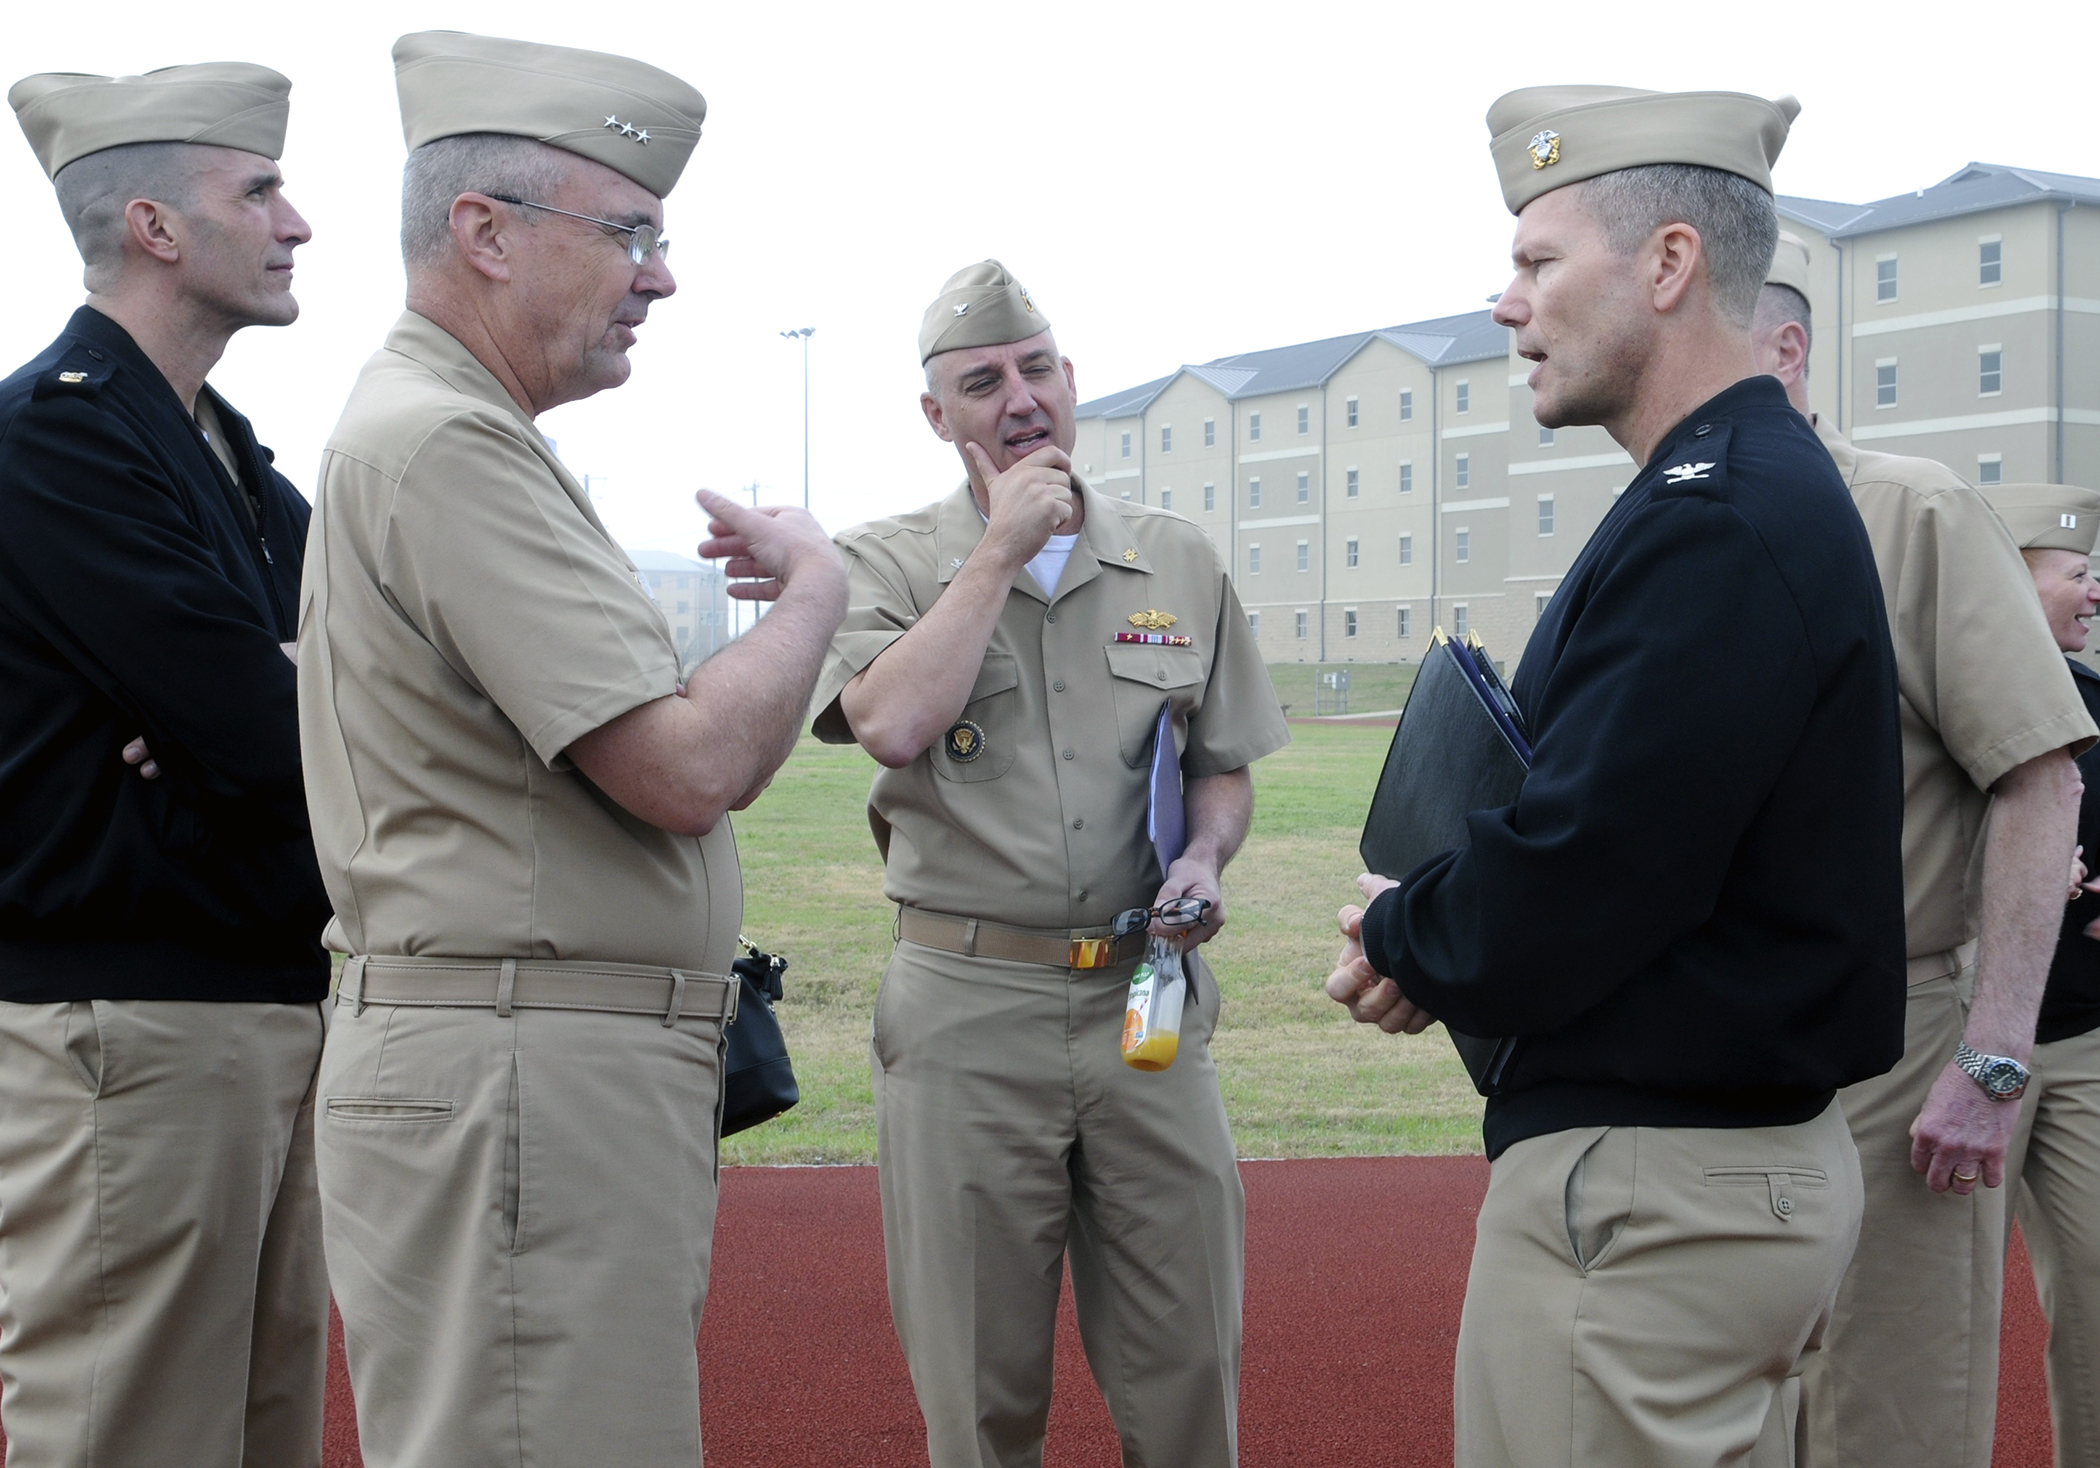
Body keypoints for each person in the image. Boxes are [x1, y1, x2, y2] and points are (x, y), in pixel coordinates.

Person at [1324, 86, 1909, 1466]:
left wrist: (1407, 929)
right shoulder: (1736, 488)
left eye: (1538, 262)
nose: (1506, 303)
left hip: (1655, 1198)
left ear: (1665, 266)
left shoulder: (1718, 517)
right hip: (1710, 1184)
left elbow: (1587, 868)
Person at [298, 32, 846, 1467]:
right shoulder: (448, 442)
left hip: (528, 1065)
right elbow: (683, 767)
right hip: (521, 1072)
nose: (658, 275)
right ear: (484, 233)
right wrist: (817, 597)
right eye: (630, 234)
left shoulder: (456, 429)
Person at [810, 260, 1288, 1468]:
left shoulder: (1175, 560)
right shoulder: (885, 565)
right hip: (971, 1006)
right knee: (981, 1397)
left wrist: (1205, 854)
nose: (1019, 400)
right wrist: (998, 548)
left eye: (1037, 371)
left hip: (1148, 1004)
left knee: (1189, 1379)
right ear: (938, 417)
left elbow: (1222, 760)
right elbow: (891, 723)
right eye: (982, 382)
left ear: (1072, 383)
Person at [0, 63, 330, 1467]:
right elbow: (269, 737)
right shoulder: (60, 433)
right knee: (124, 1435)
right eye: (258, 189)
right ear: (154, 224)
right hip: (126, 1022)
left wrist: (280, 698)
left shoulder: (230, 456)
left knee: (260, 1433)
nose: (297, 220)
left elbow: (373, 697)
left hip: (256, 1004)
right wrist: (279, 700)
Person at [1750, 235, 2092, 1468]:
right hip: (1723, 1050)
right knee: (1743, 1399)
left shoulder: (1913, 510)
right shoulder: (1660, 528)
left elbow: (2038, 774)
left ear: (1782, 348)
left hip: (1902, 1043)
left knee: (1888, 1408)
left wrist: (1993, 1059)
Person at [1978, 480, 2100, 1468]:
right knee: (1933, 1309)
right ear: (2015, 580)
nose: (2095, 593)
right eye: (2079, 573)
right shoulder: (1935, 701)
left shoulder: (2096, 705)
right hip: (1958, 1048)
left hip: (2086, 1045)